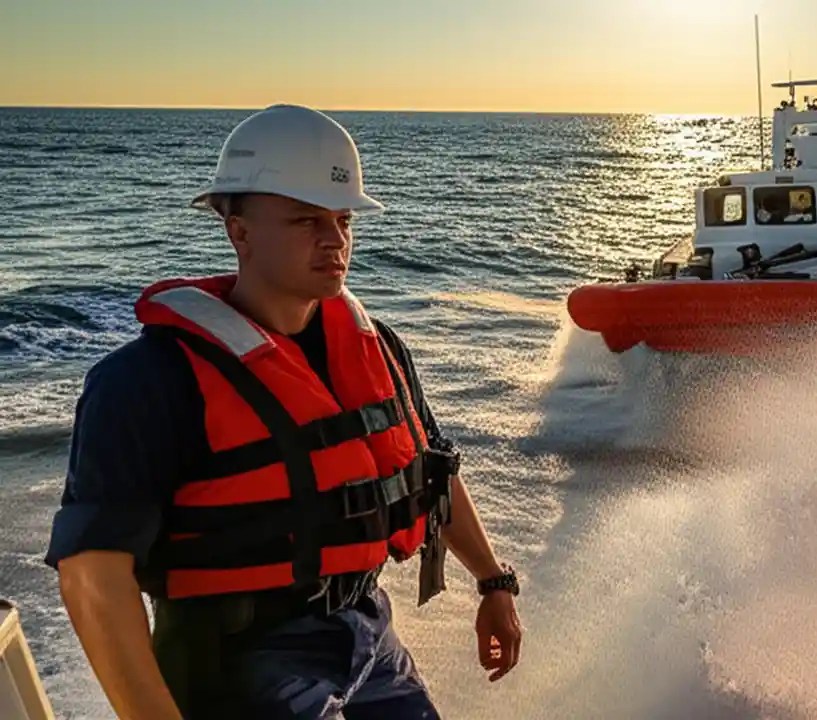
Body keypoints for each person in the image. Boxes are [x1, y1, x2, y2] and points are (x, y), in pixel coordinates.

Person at [44, 104, 523, 720]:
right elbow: (93, 576)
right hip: (239, 658)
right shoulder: (146, 381)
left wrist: (493, 581)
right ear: (238, 229)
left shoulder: (378, 348)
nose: (335, 240)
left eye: (344, 218)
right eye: (305, 220)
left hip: (368, 631)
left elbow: (429, 472)